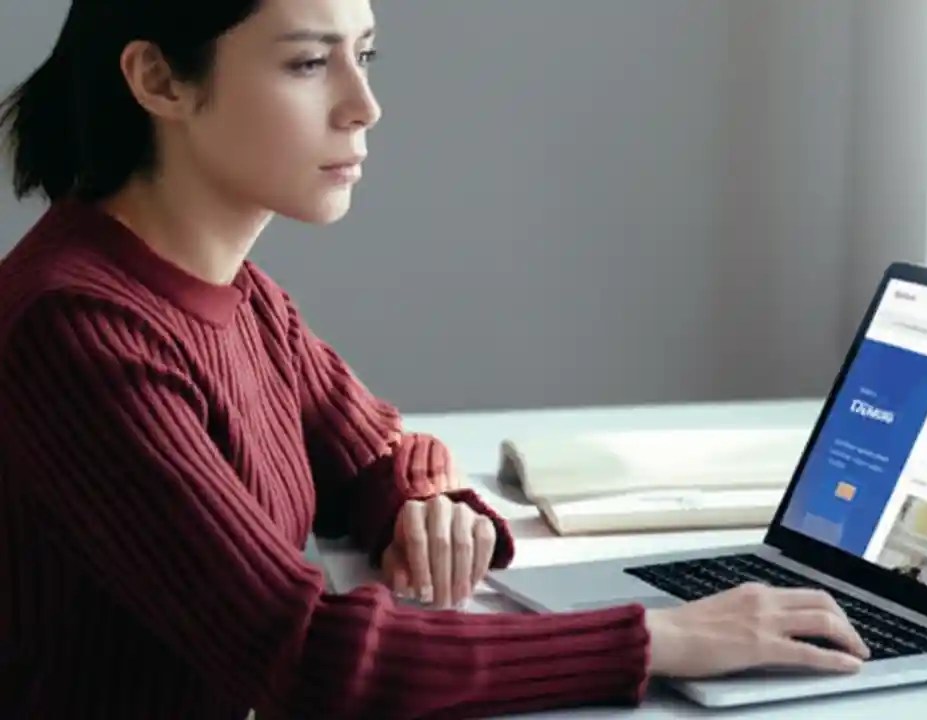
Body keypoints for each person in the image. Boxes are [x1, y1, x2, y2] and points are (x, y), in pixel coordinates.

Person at [0, 1, 870, 718]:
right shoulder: (77, 330)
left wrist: (421, 499)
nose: (363, 105)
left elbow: (372, 449)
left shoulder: (235, 296)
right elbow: (305, 655)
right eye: (309, 64)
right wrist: (666, 637)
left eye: (365, 55)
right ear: (159, 80)